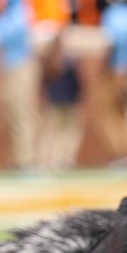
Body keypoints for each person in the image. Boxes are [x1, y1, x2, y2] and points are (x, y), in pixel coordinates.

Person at [0, 0, 41, 171]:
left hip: (20, 67)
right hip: (9, 67)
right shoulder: (8, 14)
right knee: (10, 111)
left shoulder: (20, 12)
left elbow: (3, 37)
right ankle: (18, 156)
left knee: (22, 112)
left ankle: (26, 158)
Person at [98, 0, 127, 165]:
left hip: (116, 68)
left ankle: (122, 154)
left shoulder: (112, 15)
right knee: (124, 113)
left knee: (108, 112)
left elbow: (111, 42)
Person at [40, 27, 84, 171]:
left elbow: (44, 81)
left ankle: (48, 159)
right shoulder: (68, 60)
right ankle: (63, 158)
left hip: (54, 100)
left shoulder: (49, 59)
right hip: (69, 100)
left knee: (52, 130)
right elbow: (77, 82)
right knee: (69, 130)